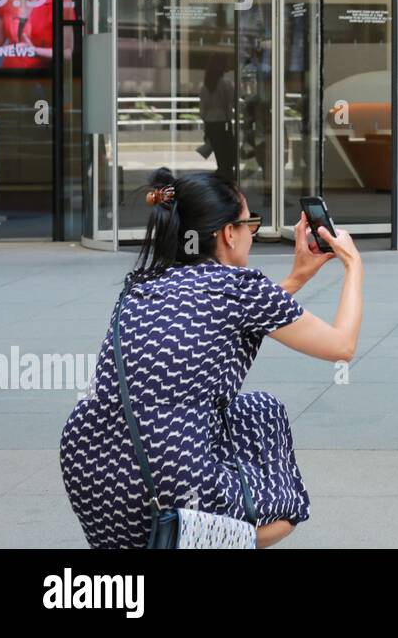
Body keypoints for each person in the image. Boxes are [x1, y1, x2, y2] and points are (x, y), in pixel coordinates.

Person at [59, 166, 364, 547]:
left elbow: (233, 318)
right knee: (268, 436)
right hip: (172, 487)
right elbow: (342, 345)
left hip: (92, 476)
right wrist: (353, 263)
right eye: (249, 224)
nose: (250, 235)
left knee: (226, 413)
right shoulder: (238, 288)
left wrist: (297, 279)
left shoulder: (141, 286)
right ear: (226, 234)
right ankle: (199, 541)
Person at [200, 52, 237, 182]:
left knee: (220, 155)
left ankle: (222, 176)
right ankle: (227, 179)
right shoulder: (226, 84)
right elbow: (233, 102)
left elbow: (203, 110)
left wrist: (206, 128)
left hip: (210, 123)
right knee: (228, 153)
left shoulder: (205, 86)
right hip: (223, 122)